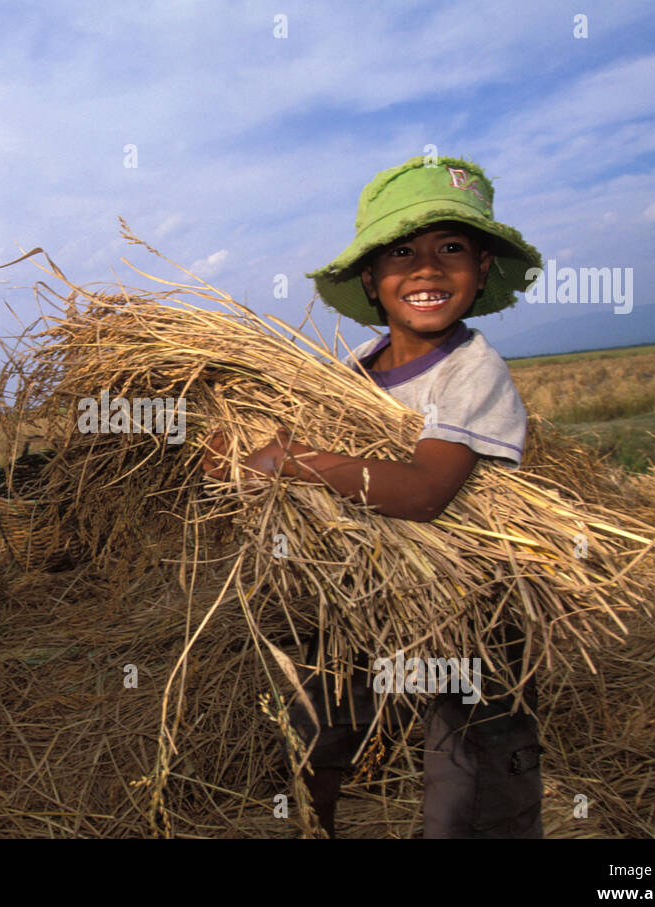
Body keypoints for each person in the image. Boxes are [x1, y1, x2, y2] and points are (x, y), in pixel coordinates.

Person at [202, 156, 544, 837]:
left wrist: (293, 462)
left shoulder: (474, 372)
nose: (426, 270)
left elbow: (423, 493)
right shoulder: (352, 371)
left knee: (479, 754)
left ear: (481, 271)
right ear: (371, 278)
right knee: (319, 713)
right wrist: (233, 457)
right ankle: (316, 824)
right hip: (356, 585)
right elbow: (270, 455)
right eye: (401, 253)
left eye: (451, 249)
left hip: (469, 599)